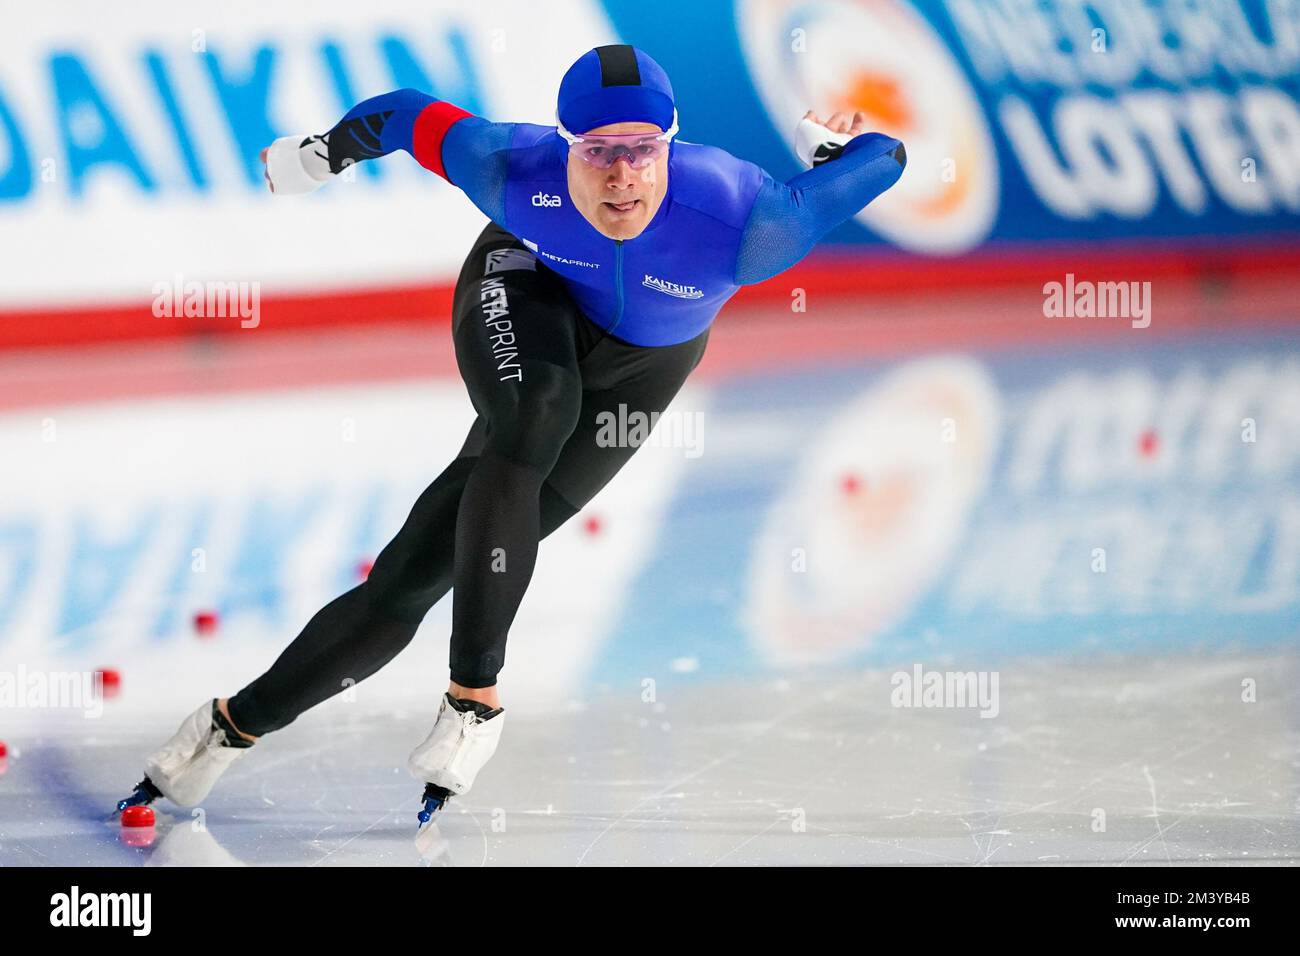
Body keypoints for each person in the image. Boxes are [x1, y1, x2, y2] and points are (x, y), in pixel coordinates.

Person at [118, 44, 906, 824]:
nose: (622, 175)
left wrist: (835, 150)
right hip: (524, 284)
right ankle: (475, 697)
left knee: (417, 572)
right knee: (536, 412)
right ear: (564, 148)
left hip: (644, 371)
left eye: (641, 150)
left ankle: (226, 728)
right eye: (597, 152)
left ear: (670, 146)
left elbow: (887, 157)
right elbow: (404, 115)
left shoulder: (753, 221)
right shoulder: (506, 166)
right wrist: (326, 154)